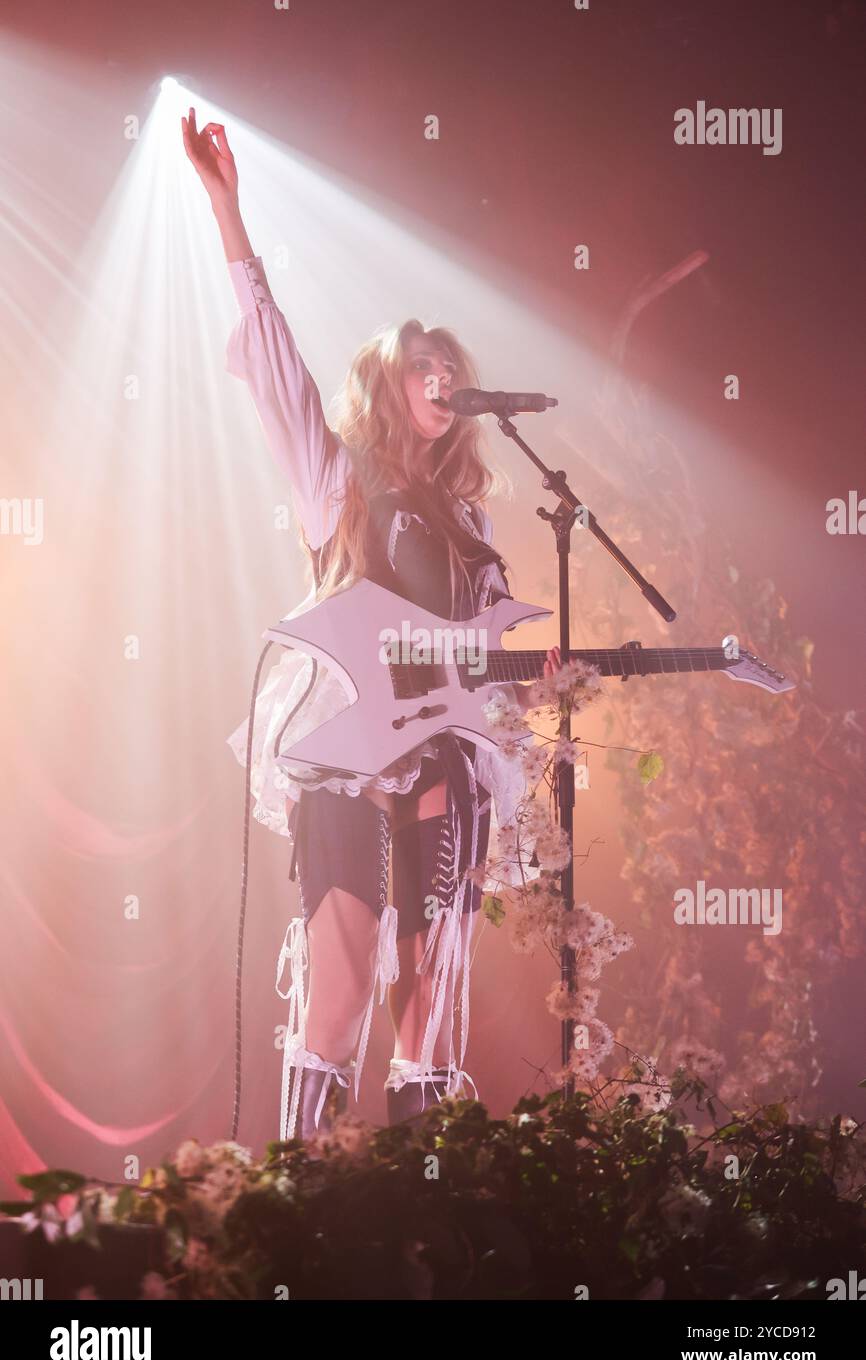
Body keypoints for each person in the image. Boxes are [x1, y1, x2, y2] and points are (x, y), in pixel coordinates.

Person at [183, 108, 560, 1140]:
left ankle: (420, 1198)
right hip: (348, 749)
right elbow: (274, 367)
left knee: (434, 998)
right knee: (341, 978)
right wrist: (229, 215)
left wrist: (532, 675)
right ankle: (296, 1195)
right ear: (386, 381)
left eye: (450, 362)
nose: (440, 374)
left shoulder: (475, 522)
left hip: (444, 750)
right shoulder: (334, 477)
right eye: (418, 361)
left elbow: (483, 661)